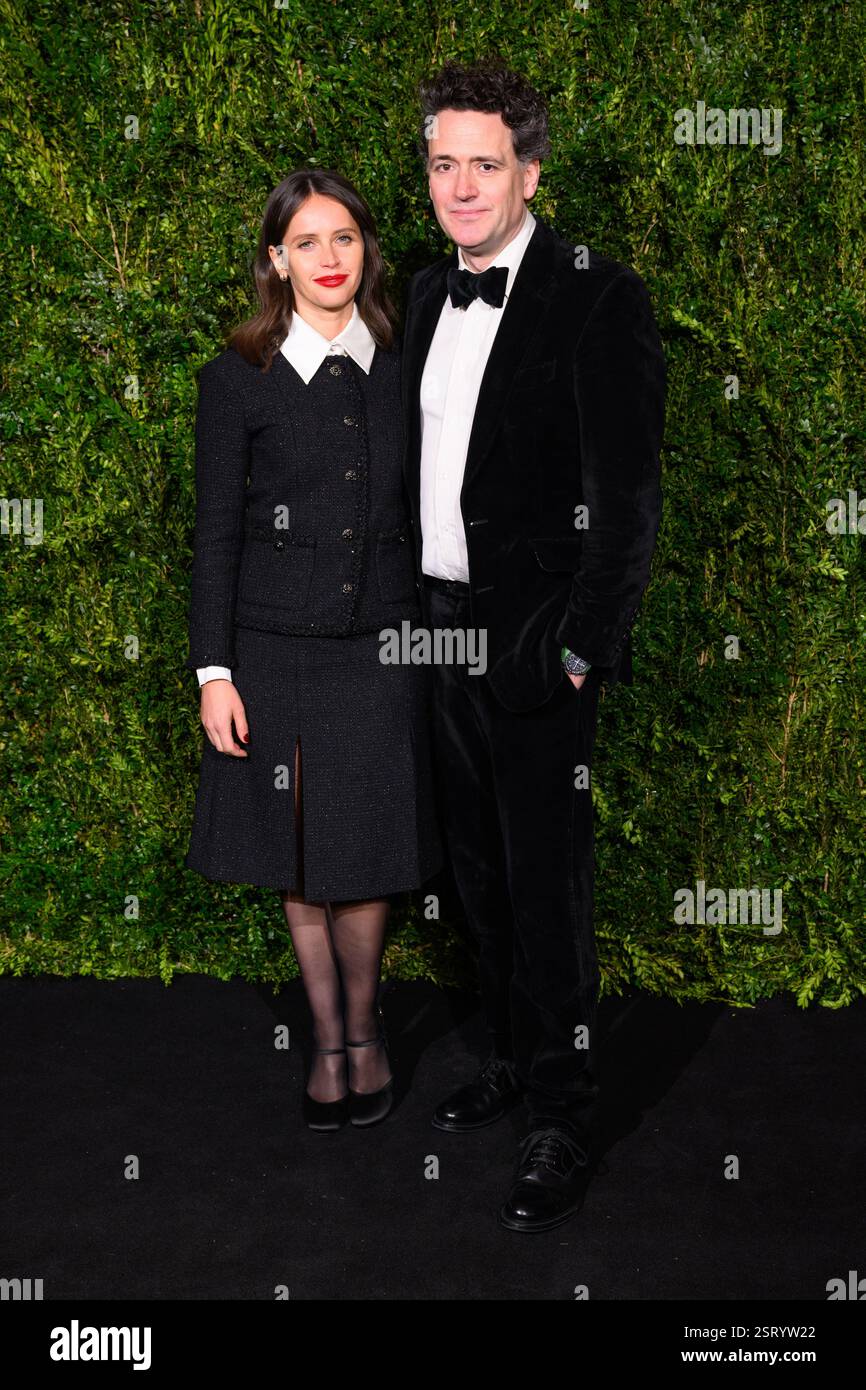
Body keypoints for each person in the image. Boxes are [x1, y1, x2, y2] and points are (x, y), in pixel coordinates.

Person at [401, 61, 666, 1231]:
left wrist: (577, 650)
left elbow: (627, 507)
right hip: (432, 634)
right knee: (474, 869)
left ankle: (561, 1110)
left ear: (530, 170)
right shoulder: (418, 295)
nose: (461, 186)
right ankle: (511, 1054)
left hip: (531, 642)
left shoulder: (595, 298)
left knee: (546, 885)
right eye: (443, 163)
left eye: (484, 163)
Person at [184, 169, 442, 1133]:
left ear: (366, 250)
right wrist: (214, 672)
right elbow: (215, 535)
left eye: (345, 239)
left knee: (364, 849)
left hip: (383, 646)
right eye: (307, 243)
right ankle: (328, 1042)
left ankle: (368, 1035)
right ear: (275, 259)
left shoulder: (407, 364)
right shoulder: (235, 379)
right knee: (298, 854)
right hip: (273, 650)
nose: (329, 259)